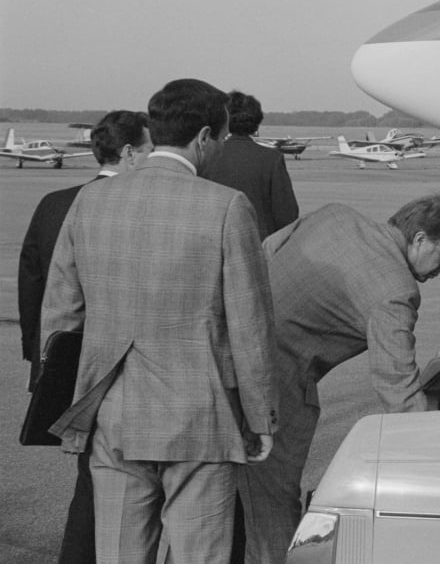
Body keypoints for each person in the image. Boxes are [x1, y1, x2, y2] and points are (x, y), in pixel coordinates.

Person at [41, 78, 279, 563]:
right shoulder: (226, 205)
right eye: (221, 138)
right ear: (204, 137)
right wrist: (261, 418)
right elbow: (250, 327)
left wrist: (68, 401)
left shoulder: (90, 200)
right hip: (200, 420)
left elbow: (61, 316)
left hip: (112, 413)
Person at [237, 195, 440, 563]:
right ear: (419, 238)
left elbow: (266, 251)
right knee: (273, 510)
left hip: (229, 360)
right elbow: (398, 387)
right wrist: (436, 457)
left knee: (218, 502)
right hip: (273, 389)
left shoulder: (336, 215)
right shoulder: (394, 291)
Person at [18, 109, 152, 564]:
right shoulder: (135, 206)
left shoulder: (54, 203)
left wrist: (42, 362)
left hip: (67, 360)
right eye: (150, 148)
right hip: (121, 366)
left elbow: (32, 282)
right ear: (130, 152)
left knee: (91, 478)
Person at [206, 90, 299, 240]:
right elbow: (287, 215)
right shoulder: (271, 159)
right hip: (259, 244)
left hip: (214, 241)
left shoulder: (208, 156)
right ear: (256, 124)